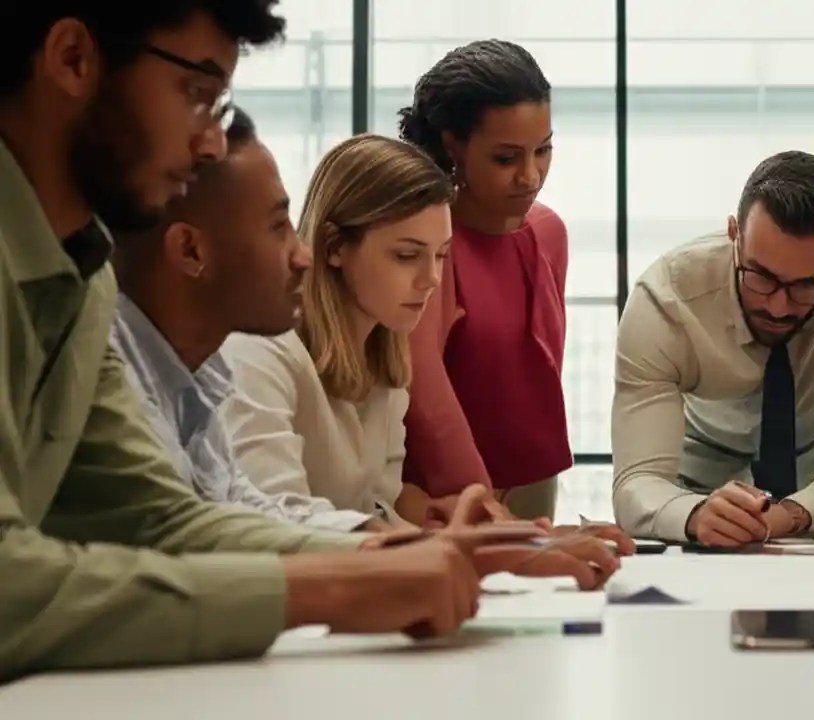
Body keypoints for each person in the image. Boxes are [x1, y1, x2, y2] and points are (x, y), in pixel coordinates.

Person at [0, 1, 543, 681]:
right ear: (72, 59)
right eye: (197, 93)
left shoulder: (81, 280)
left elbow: (159, 519)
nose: (209, 143)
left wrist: (393, 561)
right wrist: (334, 587)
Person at [218, 133, 619, 588]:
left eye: (442, 256)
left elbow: (375, 505)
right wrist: (486, 552)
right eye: (407, 256)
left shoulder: (385, 359)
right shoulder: (259, 351)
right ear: (334, 247)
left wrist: (508, 537)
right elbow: (274, 518)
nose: (431, 280)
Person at [612, 150, 814, 546]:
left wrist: (795, 513)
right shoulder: (666, 299)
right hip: (698, 485)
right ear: (734, 234)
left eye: (808, 284)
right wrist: (693, 514)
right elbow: (637, 482)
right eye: (761, 276)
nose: (779, 306)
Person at [111, 106, 384, 532]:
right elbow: (192, 542)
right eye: (278, 227)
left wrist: (378, 539)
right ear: (190, 251)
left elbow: (241, 505)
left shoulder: (194, 373)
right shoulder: (121, 389)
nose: (303, 256)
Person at [398, 39, 569, 521]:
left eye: (543, 150)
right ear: (452, 145)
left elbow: (541, 372)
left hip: (535, 480)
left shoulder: (550, 233)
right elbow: (423, 392)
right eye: (506, 158)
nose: (530, 176)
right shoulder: (428, 241)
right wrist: (483, 506)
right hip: (438, 493)